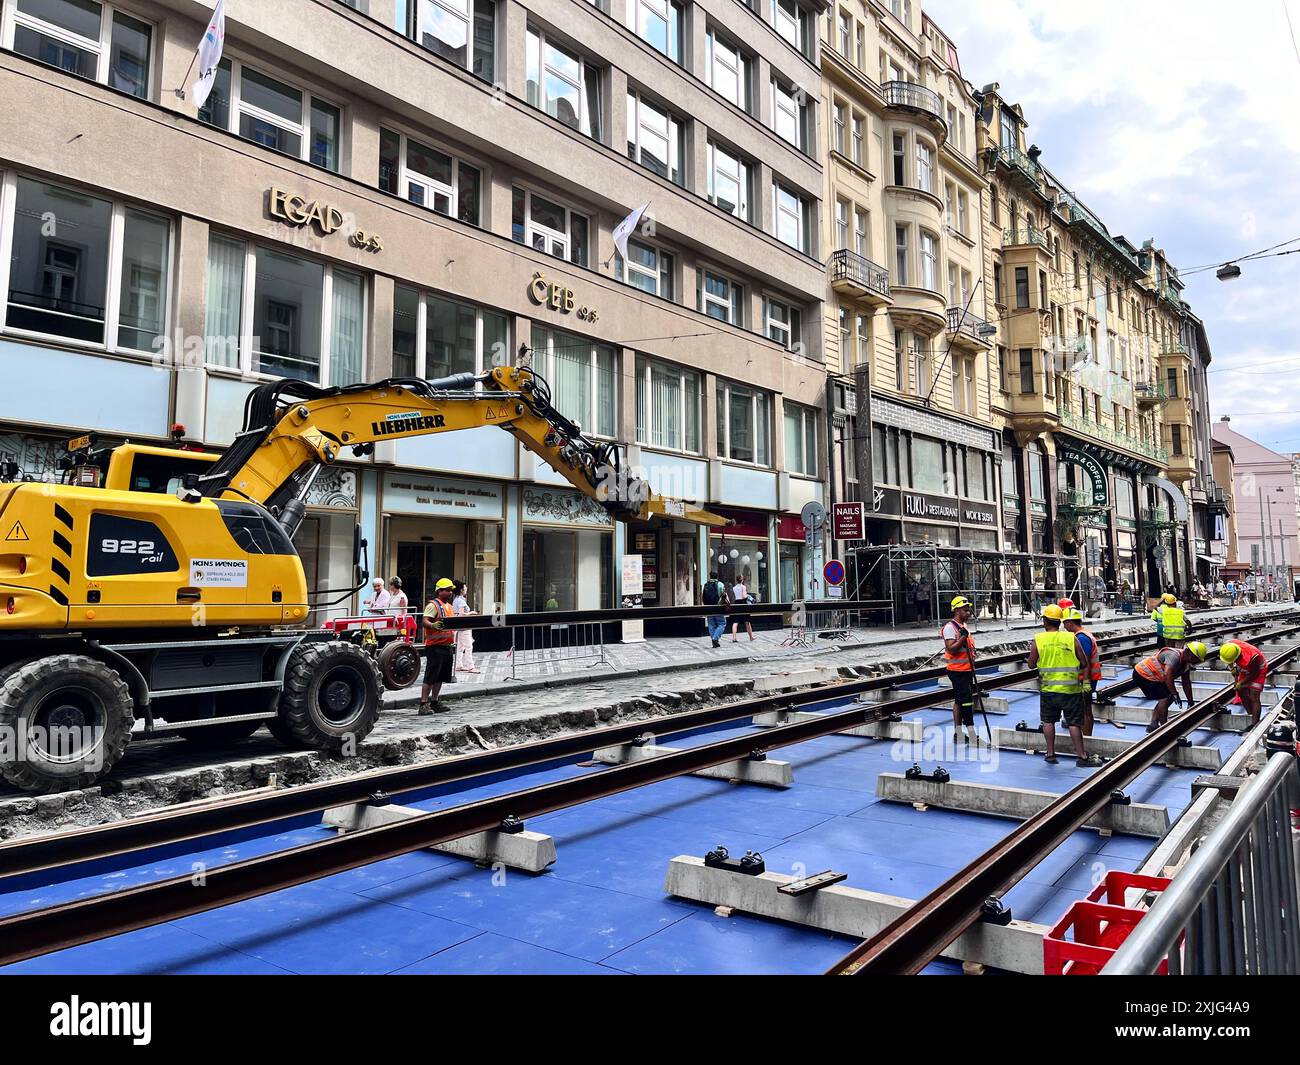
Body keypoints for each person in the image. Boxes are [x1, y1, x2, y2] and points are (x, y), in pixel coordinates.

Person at [1027, 605, 1099, 767]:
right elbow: (1083, 662)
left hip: (1048, 690)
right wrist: (1085, 681)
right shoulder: (1071, 638)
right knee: (1073, 723)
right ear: (1060, 622)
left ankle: (1050, 754)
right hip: (1071, 689)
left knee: (1048, 721)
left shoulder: (1038, 639)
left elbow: (1031, 665)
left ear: (1045, 621)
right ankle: (1081, 756)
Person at [1133, 642, 1208, 731]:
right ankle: (1164, 729)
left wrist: (1190, 702)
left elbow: (1186, 682)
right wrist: (1175, 693)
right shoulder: (1174, 656)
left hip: (1155, 676)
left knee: (1169, 697)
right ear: (1189, 653)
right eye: (1196, 659)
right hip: (1143, 673)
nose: (1196, 661)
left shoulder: (1186, 663)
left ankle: (1153, 724)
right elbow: (1167, 674)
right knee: (1164, 698)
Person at [942, 596, 980, 746]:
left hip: (965, 670)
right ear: (957, 610)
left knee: (959, 701)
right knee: (965, 702)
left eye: (968, 610)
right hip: (957, 671)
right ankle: (971, 734)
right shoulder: (951, 628)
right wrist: (962, 639)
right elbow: (951, 648)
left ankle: (958, 734)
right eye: (965, 610)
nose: (969, 613)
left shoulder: (963, 627)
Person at [419, 578, 457, 715]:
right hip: (435, 647)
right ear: (439, 591)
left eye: (451, 590)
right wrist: (432, 625)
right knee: (431, 676)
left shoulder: (449, 607)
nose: (450, 592)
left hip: (446, 646)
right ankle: (423, 704)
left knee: (440, 676)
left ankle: (434, 702)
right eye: (447, 590)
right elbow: (424, 620)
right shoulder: (433, 605)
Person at [1063, 608, 1102, 736]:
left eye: (1064, 623)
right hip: (1089, 678)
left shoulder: (1081, 638)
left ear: (1070, 622)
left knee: (1084, 710)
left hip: (1085, 679)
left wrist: (1084, 681)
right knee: (1086, 709)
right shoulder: (1084, 634)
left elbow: (1083, 662)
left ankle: (1086, 738)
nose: (1063, 626)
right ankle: (1087, 736)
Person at [1220, 640, 1267, 727]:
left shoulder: (1253, 656)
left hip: (1258, 669)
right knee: (1241, 690)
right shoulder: (1229, 647)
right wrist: (1233, 670)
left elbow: (1254, 673)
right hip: (1244, 668)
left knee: (1254, 695)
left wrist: (1241, 682)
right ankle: (1250, 715)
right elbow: (1229, 661)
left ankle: (1255, 723)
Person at [452, 580, 479, 674]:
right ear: (461, 590)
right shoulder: (460, 601)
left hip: (459, 626)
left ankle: (458, 665)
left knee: (460, 646)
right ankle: (471, 666)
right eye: (465, 587)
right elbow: (462, 614)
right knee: (468, 646)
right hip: (464, 626)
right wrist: (472, 613)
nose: (466, 588)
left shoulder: (456, 600)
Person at [702, 571, 730, 648]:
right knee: (722, 623)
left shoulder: (706, 585)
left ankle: (714, 640)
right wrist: (728, 603)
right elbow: (724, 595)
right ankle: (715, 638)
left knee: (711, 625)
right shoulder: (720, 584)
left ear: (710, 576)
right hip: (718, 608)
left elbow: (703, 597)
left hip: (708, 608)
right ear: (717, 576)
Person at [731, 575, 755, 642]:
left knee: (735, 621)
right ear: (742, 580)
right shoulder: (743, 587)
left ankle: (734, 637)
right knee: (747, 621)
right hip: (743, 603)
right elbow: (744, 596)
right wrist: (748, 595)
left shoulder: (734, 588)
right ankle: (751, 637)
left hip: (736, 603)